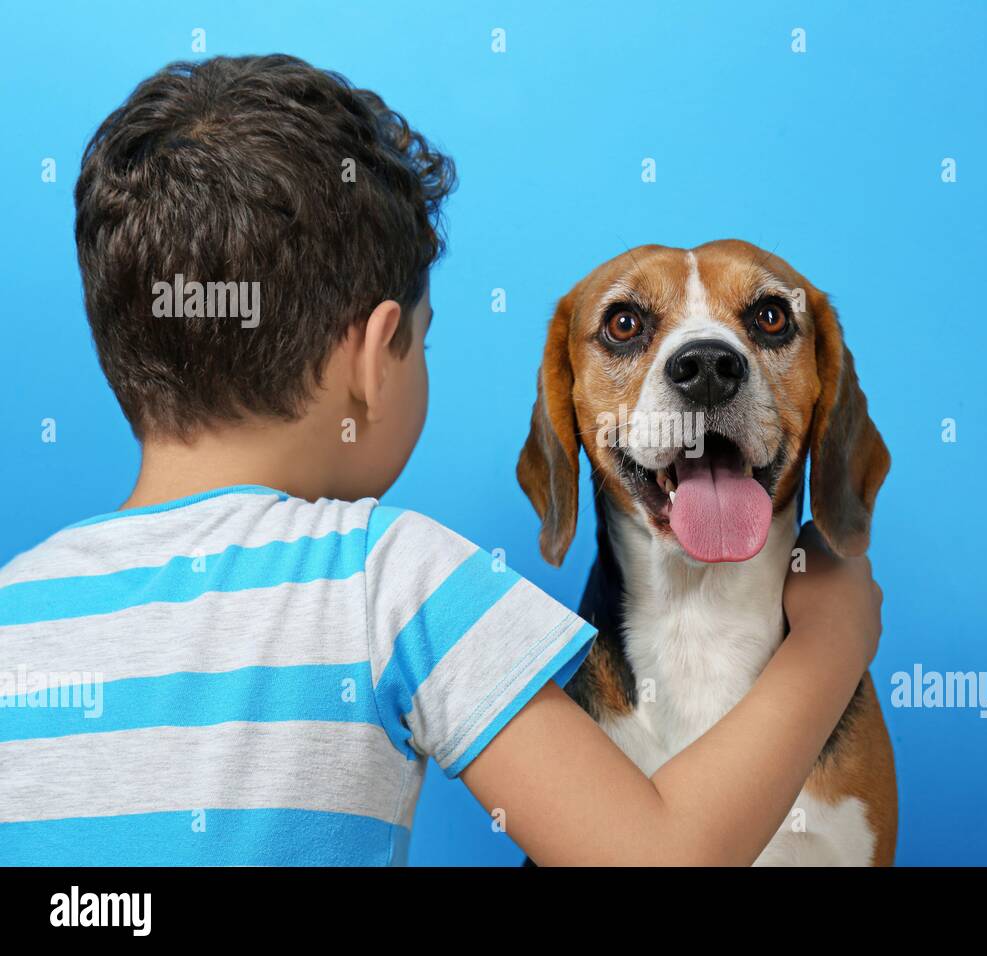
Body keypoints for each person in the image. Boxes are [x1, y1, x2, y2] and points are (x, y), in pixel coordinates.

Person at [0, 54, 884, 866]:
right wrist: (832, 647)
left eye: (764, 323)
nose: (706, 361)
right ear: (374, 360)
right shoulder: (400, 577)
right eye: (423, 343)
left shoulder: (17, 606)